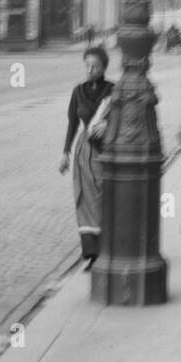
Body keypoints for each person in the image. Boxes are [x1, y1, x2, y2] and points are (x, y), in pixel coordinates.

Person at [58, 45, 115, 270]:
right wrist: (65, 153)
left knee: (102, 197)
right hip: (84, 151)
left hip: (105, 150)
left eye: (95, 66)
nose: (90, 69)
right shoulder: (78, 91)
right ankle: (91, 254)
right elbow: (73, 123)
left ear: (103, 68)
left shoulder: (113, 90)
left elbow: (122, 116)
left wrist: (109, 122)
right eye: (87, 65)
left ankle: (105, 249)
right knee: (84, 199)